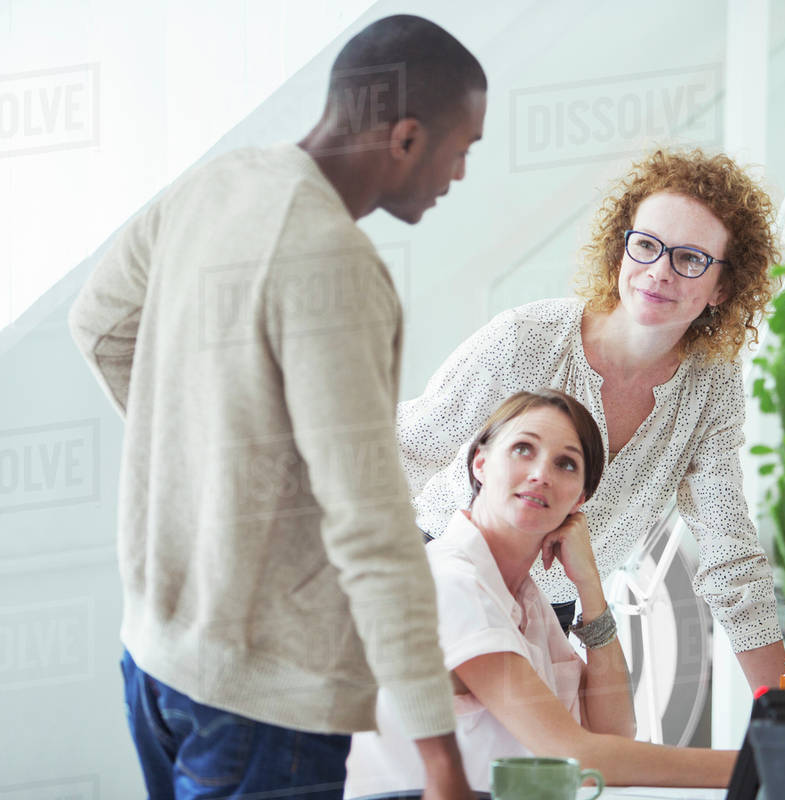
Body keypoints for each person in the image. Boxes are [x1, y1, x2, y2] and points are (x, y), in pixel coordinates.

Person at [68, 15, 485, 800]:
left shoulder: (217, 183)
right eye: (462, 149)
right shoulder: (336, 263)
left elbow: (98, 325)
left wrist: (208, 460)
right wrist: (442, 760)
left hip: (153, 664)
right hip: (264, 705)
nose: (459, 174)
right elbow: (370, 524)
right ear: (405, 138)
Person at [398, 148, 785, 689]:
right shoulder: (527, 338)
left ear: (723, 287)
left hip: (550, 615)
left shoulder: (712, 386)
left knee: (554, 744)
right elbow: (404, 449)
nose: (659, 272)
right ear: (621, 248)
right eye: (646, 245)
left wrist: (782, 702)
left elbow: (730, 553)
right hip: (438, 585)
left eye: (690, 258)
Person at [347, 390, 738, 795]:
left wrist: (590, 586)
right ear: (480, 463)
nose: (540, 474)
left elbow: (612, 733)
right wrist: (756, 762)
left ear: (580, 499)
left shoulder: (527, 602)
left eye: (565, 463)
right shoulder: (449, 582)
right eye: (523, 449)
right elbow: (577, 757)